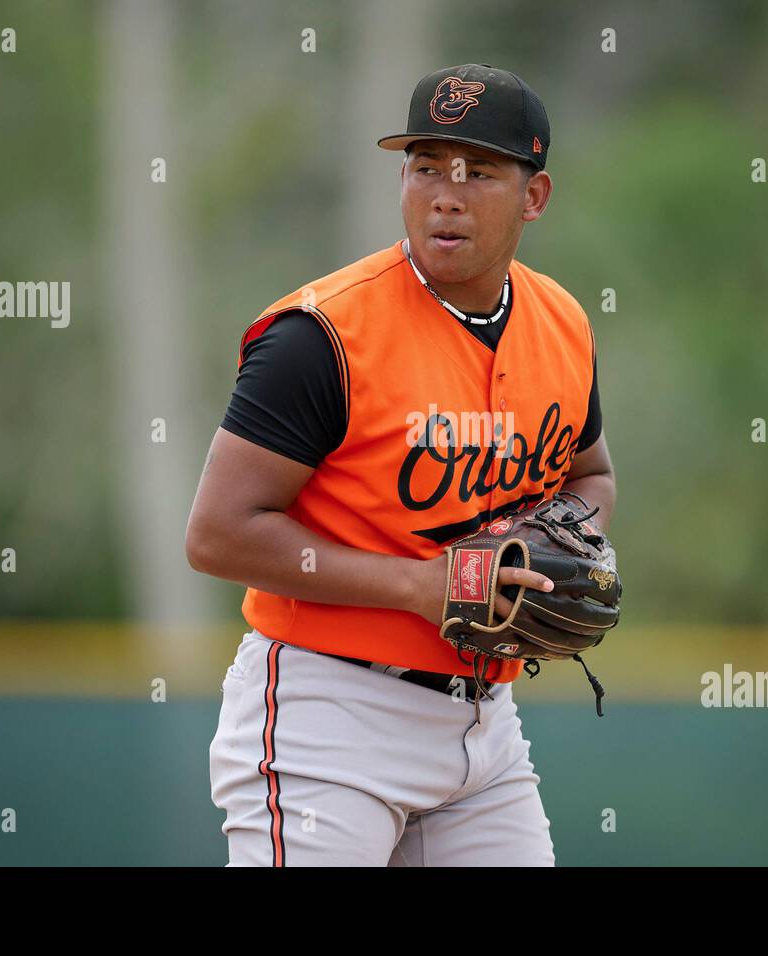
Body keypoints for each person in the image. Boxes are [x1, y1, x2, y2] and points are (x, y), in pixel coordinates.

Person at [186, 63, 616, 866]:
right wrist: (423, 585)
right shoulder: (321, 339)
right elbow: (216, 536)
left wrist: (566, 540)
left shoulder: (562, 324)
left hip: (486, 732)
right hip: (326, 716)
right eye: (425, 167)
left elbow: (591, 476)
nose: (445, 195)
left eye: (478, 172)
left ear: (535, 197)